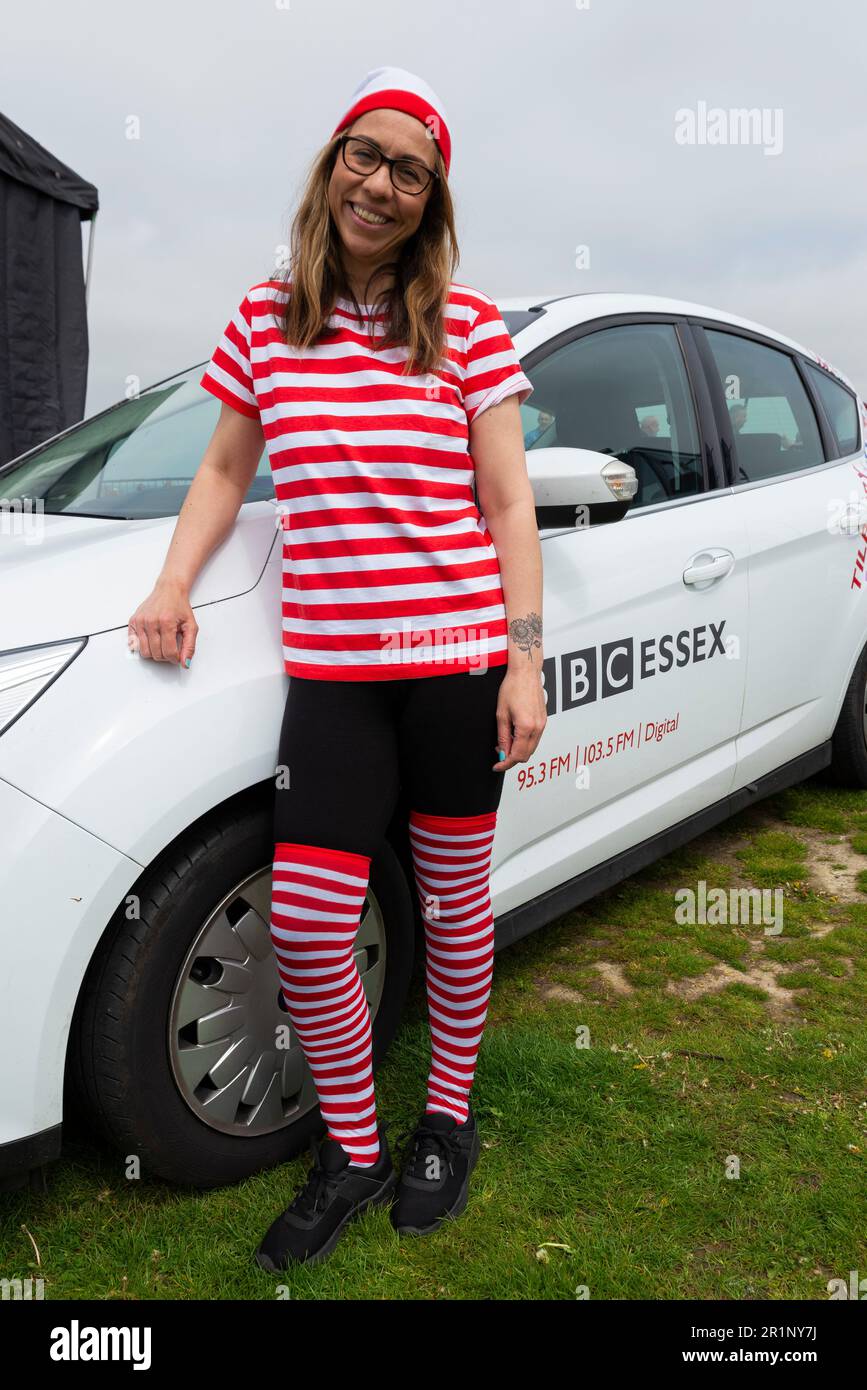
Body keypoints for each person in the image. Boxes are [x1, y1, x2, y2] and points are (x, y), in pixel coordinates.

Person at [128, 65, 547, 1269]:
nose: (381, 184)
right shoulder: (267, 316)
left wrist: (522, 655)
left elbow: (510, 499)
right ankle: (354, 1150)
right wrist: (170, 582)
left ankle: (446, 1123)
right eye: (365, 156)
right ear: (332, 164)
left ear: (433, 198)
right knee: (312, 925)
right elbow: (220, 473)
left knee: (455, 909)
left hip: (458, 662)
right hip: (337, 674)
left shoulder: (466, 326)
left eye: (409, 170)